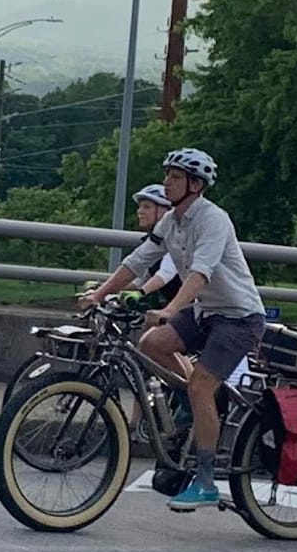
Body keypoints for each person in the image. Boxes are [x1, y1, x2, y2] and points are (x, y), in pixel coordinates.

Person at [79, 147, 265, 512]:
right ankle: (197, 408)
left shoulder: (213, 220)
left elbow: (201, 272)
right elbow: (137, 262)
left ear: (196, 185)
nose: (167, 182)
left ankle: (206, 481)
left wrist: (170, 309)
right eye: (167, 175)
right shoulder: (170, 223)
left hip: (239, 317)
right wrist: (99, 294)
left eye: (176, 177)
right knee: (151, 344)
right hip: (206, 312)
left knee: (200, 386)